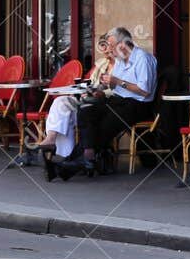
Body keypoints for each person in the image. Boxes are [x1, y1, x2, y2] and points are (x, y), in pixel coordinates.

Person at [62, 27, 156, 175]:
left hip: (138, 104)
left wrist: (118, 81)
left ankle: (70, 164)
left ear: (123, 44)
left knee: (105, 126)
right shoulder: (120, 59)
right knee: (86, 110)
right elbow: (115, 86)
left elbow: (145, 91)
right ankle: (86, 158)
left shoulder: (142, 58)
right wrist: (105, 83)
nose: (109, 50)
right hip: (117, 100)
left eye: (112, 46)